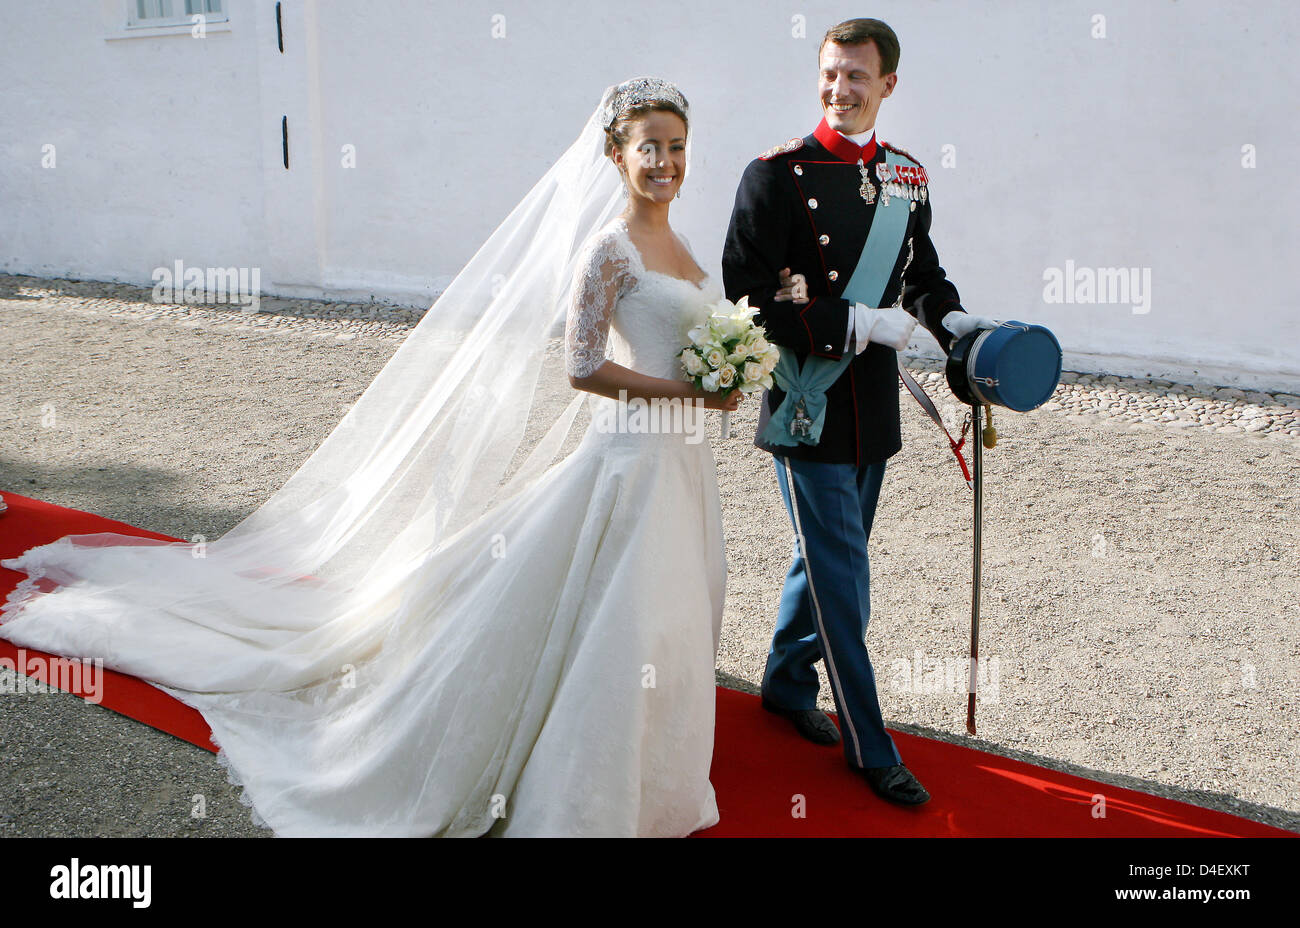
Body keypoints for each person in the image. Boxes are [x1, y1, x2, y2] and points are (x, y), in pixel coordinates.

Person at [0, 77, 739, 837]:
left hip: (680, 461)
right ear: (617, 155)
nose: (665, 162)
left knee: (662, 608)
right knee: (622, 606)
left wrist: (726, 372)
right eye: (648, 147)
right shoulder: (607, 249)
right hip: (628, 459)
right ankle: (585, 781)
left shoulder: (680, 243)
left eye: (676, 148)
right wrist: (684, 390)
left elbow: (683, 345)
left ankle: (656, 766)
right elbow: (582, 367)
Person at [721, 18, 997, 805]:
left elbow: (922, 276)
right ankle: (870, 745)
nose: (839, 90)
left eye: (856, 78)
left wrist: (953, 325)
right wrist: (849, 321)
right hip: (807, 401)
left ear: (888, 86)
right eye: (829, 74)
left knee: (825, 556)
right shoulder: (773, 175)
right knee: (845, 572)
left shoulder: (906, 178)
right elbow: (745, 301)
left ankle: (783, 680)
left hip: (871, 404)